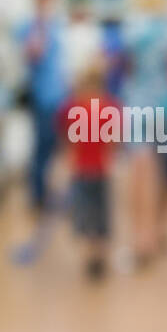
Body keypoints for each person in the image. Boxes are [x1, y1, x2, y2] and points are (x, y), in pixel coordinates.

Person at [122, 0, 167, 266]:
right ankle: (155, 234)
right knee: (157, 171)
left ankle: (139, 239)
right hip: (164, 105)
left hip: (137, 103)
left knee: (137, 171)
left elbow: (127, 69)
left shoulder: (133, 29)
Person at [12, 0, 68, 264]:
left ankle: (45, 192)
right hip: (41, 97)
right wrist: (39, 33)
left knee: (51, 148)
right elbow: (32, 54)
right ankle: (36, 195)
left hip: (57, 97)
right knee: (40, 147)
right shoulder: (29, 27)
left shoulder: (56, 26)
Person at [58, 60, 120, 280]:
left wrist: (68, 163)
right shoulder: (110, 106)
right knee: (102, 213)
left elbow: (68, 141)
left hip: (81, 171)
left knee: (84, 213)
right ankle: (99, 255)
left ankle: (88, 256)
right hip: (102, 170)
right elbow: (114, 140)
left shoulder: (73, 107)